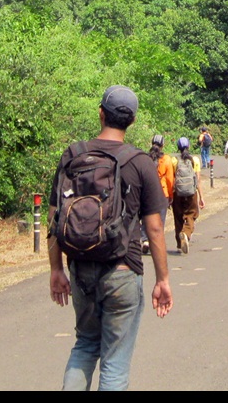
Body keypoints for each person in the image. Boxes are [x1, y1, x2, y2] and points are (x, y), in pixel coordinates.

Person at [49, 86, 172, 391]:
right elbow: (154, 228)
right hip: (123, 270)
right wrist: (162, 279)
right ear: (131, 120)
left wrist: (56, 270)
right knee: (115, 363)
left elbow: (54, 218)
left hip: (80, 270)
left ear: (101, 113)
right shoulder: (140, 162)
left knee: (85, 345)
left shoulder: (73, 155)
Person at [167, 137, 204, 254]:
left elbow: (171, 179)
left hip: (177, 193)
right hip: (191, 192)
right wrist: (201, 197)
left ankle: (179, 244)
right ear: (188, 146)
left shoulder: (174, 160)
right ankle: (186, 233)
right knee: (192, 214)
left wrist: (170, 196)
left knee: (178, 217)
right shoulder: (195, 160)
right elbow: (198, 180)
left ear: (178, 147)